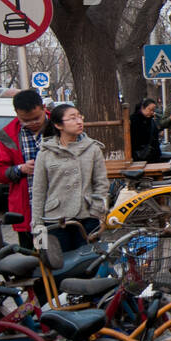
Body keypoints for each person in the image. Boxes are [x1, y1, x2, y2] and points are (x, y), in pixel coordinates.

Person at [30, 104, 108, 253]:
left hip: (86, 217)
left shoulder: (92, 149)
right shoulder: (45, 153)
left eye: (80, 117)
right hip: (55, 218)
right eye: (72, 118)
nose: (79, 121)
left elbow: (101, 183)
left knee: (87, 264)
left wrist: (96, 212)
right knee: (60, 266)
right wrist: (37, 225)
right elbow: (39, 191)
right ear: (58, 125)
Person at [0, 89, 50, 251]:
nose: (32, 123)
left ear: (44, 107)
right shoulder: (8, 134)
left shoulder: (61, 125)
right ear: (16, 113)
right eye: (26, 120)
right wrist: (20, 169)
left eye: (37, 118)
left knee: (59, 257)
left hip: (59, 209)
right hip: (28, 209)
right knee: (35, 256)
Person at [129, 98, 162, 162]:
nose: (152, 112)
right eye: (150, 109)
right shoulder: (133, 120)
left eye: (153, 110)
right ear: (142, 108)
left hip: (153, 156)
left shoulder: (152, 121)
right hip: (138, 157)